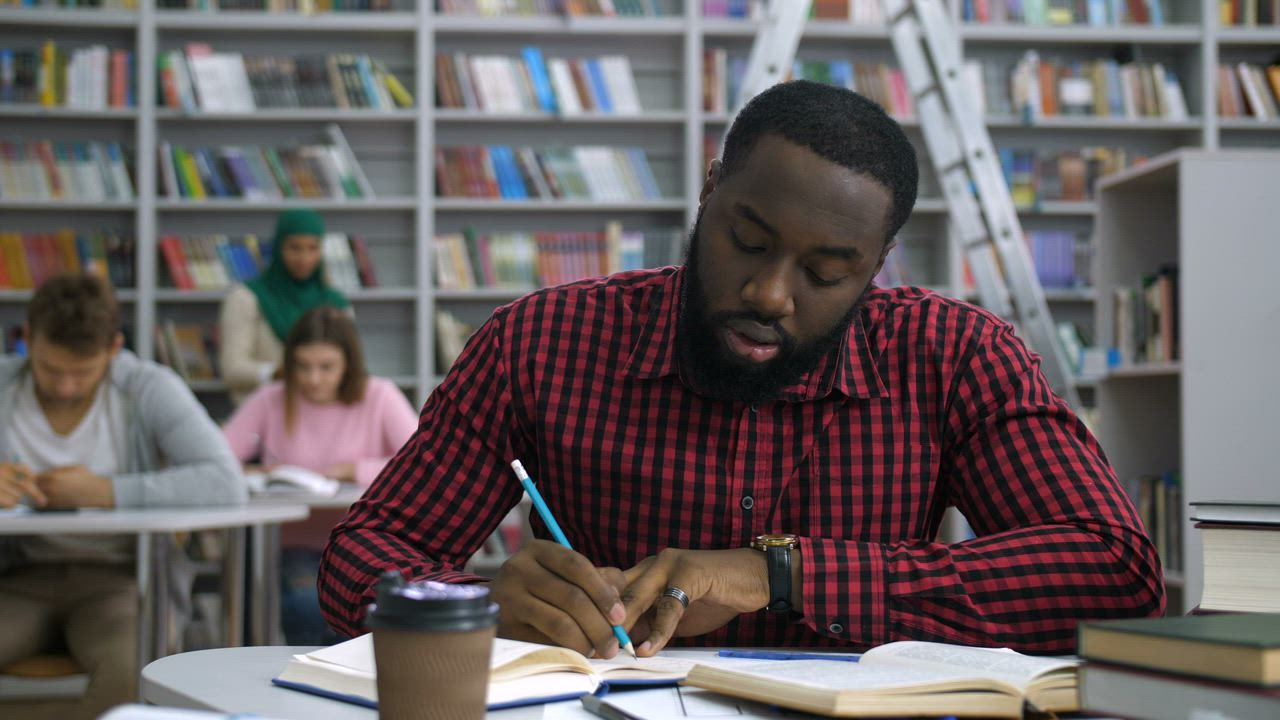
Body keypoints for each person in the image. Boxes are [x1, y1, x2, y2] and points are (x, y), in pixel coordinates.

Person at [319, 81, 1163, 659]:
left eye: (825, 273)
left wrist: (781, 574)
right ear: (709, 192)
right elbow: (363, 554)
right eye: (747, 242)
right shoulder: (541, 342)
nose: (769, 293)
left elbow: (1116, 576)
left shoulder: (953, 357)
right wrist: (476, 606)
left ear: (876, 265)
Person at [0, 273, 245, 720]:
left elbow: (224, 480)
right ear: (28, 340)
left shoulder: (149, 386)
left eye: (83, 372)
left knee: (135, 667)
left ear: (114, 349)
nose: (66, 386)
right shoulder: (5, 384)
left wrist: (106, 491)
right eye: (51, 369)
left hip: (119, 583)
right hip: (17, 578)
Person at [223, 306, 417, 645]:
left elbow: (422, 465)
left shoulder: (379, 395)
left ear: (349, 364)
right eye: (302, 366)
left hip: (367, 543)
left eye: (326, 367)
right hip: (293, 547)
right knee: (306, 606)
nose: (313, 379)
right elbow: (217, 459)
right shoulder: (272, 398)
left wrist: (353, 470)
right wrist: (256, 471)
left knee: (379, 606)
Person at [219, 208, 351, 405]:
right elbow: (232, 370)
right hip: (265, 414)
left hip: (323, 414)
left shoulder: (336, 304)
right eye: (294, 248)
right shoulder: (246, 298)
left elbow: (352, 366)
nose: (304, 258)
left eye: (312, 248)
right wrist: (276, 373)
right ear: (279, 248)